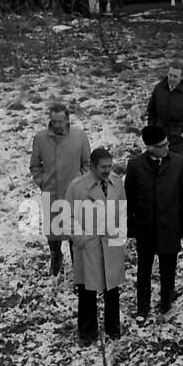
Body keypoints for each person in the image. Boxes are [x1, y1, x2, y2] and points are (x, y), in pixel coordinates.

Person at [126, 125, 183, 322]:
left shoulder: (178, 163)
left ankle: (166, 302)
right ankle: (142, 308)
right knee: (144, 270)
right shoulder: (136, 166)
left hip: (169, 226)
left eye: (167, 143)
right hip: (145, 228)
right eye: (162, 145)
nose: (167, 147)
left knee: (168, 268)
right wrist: (131, 226)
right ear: (150, 147)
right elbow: (129, 197)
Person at [66, 147, 126, 346]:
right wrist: (80, 239)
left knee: (112, 288)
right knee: (87, 290)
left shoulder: (117, 183)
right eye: (103, 167)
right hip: (89, 245)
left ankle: (113, 328)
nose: (107, 170)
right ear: (92, 166)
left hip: (110, 242)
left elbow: (122, 209)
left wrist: (119, 234)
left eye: (109, 166)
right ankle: (87, 332)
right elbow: (67, 217)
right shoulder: (77, 187)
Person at [31, 105, 91, 276]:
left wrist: (81, 183)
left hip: (74, 194)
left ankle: (78, 266)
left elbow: (87, 163)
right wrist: (42, 181)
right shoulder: (41, 138)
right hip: (51, 192)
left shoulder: (79, 136)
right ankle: (56, 258)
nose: (57, 125)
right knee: (53, 232)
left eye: (60, 121)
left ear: (67, 120)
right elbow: (35, 165)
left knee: (74, 232)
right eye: (54, 121)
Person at [145, 58, 183, 156]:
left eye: (175, 76)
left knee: (175, 168)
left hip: (178, 140)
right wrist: (152, 128)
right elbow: (151, 110)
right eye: (170, 75)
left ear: (182, 77)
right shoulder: (159, 88)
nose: (171, 79)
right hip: (159, 139)